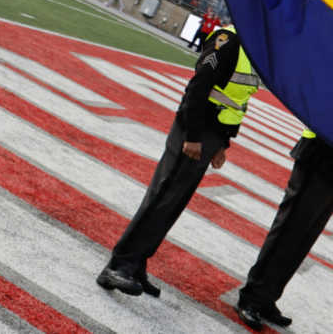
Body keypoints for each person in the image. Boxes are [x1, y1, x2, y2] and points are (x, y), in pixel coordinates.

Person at [98, 24, 260, 297]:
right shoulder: (228, 39)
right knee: (162, 198)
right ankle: (118, 265)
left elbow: (236, 102)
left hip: (212, 135)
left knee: (172, 205)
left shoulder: (253, 48)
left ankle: (136, 263)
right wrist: (194, 136)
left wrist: (223, 143)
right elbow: (199, 87)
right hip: (194, 131)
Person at [235, 129, 333, 330]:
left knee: (303, 238)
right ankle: (252, 297)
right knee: (289, 230)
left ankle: (266, 297)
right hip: (319, 156)